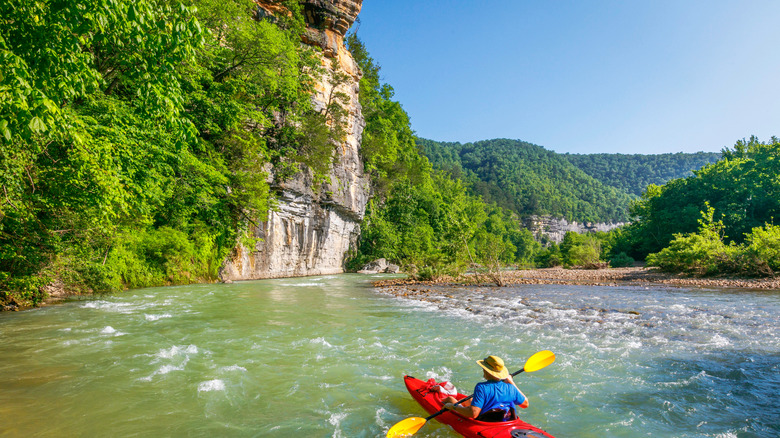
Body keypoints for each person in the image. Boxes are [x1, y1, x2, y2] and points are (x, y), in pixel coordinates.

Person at [442, 355, 528, 422]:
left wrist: (453, 407)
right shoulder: (511, 387)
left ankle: (444, 401)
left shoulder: (481, 387)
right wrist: (511, 382)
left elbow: (473, 414)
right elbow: (525, 404)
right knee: (470, 400)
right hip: (506, 421)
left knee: (450, 399)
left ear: (486, 370)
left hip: (486, 421)